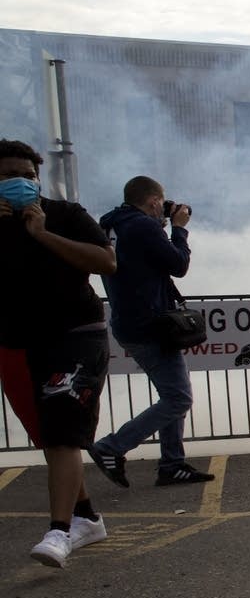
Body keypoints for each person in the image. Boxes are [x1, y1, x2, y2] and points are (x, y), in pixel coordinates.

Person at [0, 139, 117, 568]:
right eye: (6, 175)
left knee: (64, 429)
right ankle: (88, 518)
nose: (17, 182)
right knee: (47, 434)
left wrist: (43, 234)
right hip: (16, 342)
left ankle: (59, 531)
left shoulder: (67, 214)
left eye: (25, 175)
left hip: (75, 334)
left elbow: (107, 262)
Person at [89, 176, 213, 488]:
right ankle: (111, 447)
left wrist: (162, 221)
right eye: (162, 203)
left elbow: (143, 256)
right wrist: (180, 229)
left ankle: (172, 464)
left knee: (173, 393)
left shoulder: (112, 225)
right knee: (178, 398)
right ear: (154, 202)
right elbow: (178, 264)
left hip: (132, 321)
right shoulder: (142, 226)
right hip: (151, 325)